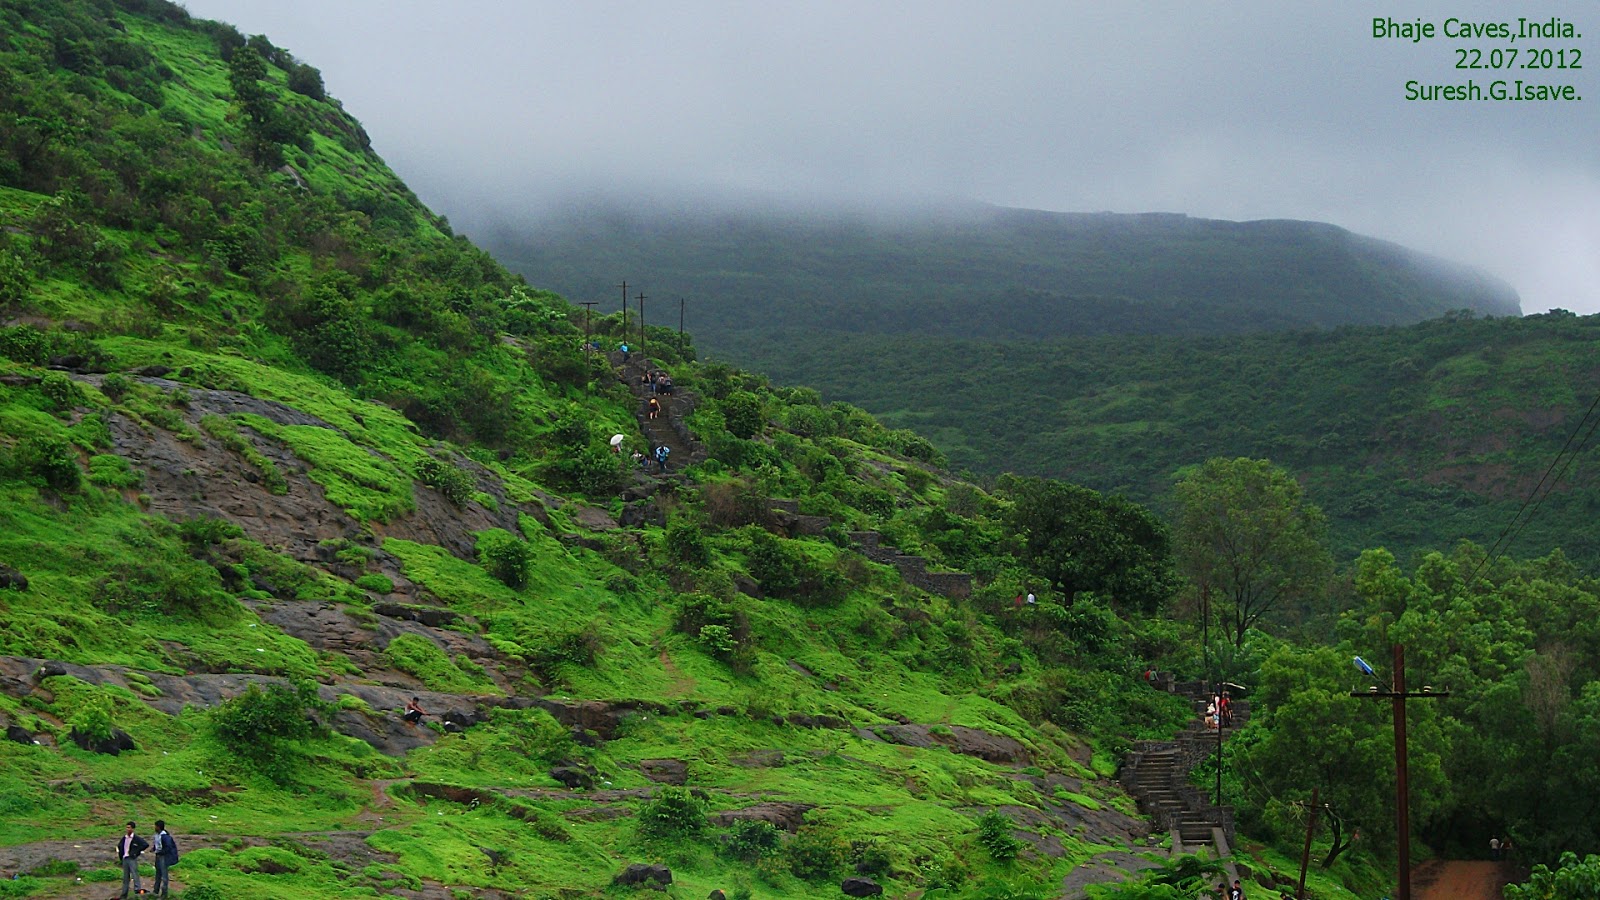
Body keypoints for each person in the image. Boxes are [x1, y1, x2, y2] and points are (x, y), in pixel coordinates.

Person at [116, 820, 148, 899]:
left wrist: (135, 852)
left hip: (131, 858)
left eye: (129, 828)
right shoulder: (125, 838)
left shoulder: (136, 838)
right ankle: (124, 893)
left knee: (135, 874)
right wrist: (121, 855)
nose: (127, 829)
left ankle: (137, 890)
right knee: (125, 877)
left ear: (133, 829)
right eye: (127, 827)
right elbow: (120, 846)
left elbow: (145, 844)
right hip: (125, 858)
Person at [151, 819, 178, 898]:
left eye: (155, 826)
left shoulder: (165, 836)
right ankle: (156, 891)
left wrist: (161, 852)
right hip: (158, 855)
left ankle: (164, 893)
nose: (154, 827)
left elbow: (168, 847)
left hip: (163, 857)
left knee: (164, 875)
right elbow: (158, 844)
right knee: (158, 874)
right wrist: (154, 848)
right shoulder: (157, 835)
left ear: (158, 827)